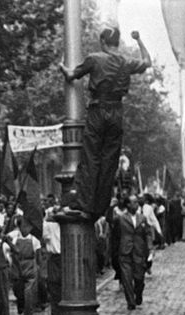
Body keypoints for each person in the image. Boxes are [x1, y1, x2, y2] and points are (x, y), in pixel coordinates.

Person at [59, 28, 151, 219]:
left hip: (98, 110)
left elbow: (70, 75)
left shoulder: (94, 58)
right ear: (117, 42)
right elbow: (147, 62)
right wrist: (139, 40)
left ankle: (84, 205)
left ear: (102, 41)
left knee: (91, 157)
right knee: (110, 160)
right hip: (117, 111)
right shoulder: (126, 62)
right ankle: (100, 207)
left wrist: (62, 66)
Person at [112, 194, 153, 310]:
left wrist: (150, 249)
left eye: (137, 202)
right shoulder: (120, 219)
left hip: (139, 252)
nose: (136, 204)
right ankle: (130, 302)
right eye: (133, 202)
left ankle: (138, 294)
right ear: (128, 205)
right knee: (126, 278)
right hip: (125, 252)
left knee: (139, 278)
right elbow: (114, 234)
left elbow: (148, 234)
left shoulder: (143, 218)